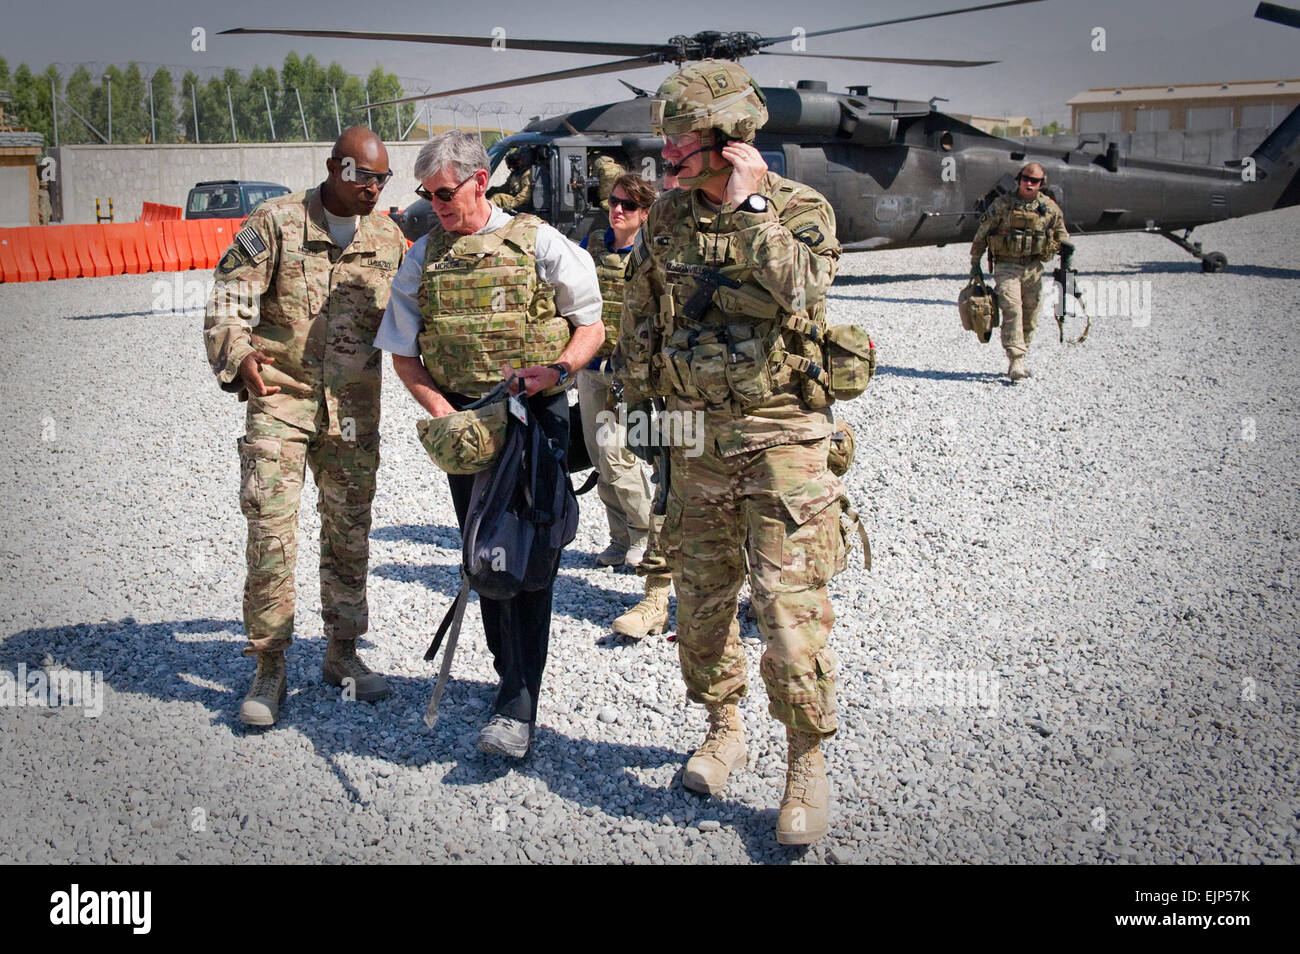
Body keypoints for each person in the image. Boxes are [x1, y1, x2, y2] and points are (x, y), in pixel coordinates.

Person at [618, 60, 854, 845]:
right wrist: (642, 413)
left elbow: (804, 290)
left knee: (788, 613)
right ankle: (724, 728)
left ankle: (805, 764)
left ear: (728, 138)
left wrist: (752, 205)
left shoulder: (797, 208)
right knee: (704, 601)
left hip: (783, 435)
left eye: (678, 139)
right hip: (693, 436)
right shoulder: (666, 217)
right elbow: (641, 316)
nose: (665, 153)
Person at [375, 130, 604, 758]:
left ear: (480, 179)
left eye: (444, 192)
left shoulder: (540, 243)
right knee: (486, 552)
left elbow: (590, 324)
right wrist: (445, 414)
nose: (436, 204)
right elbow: (403, 354)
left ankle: (518, 699)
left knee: (531, 550)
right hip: (469, 431)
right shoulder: (424, 256)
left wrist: (558, 373)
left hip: (535, 421)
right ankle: (508, 671)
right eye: (427, 194)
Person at [203, 126, 407, 727]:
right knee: (271, 534)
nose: (372, 187)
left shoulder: (388, 237)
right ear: (333, 167)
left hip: (353, 410)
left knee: (349, 535)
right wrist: (236, 355)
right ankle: (270, 664)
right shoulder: (275, 222)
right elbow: (227, 299)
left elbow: (415, 311)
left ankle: (342, 653)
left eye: (381, 179)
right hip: (280, 400)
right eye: (362, 175)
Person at [579, 173, 657, 570]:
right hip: (590, 368)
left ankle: (645, 534)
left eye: (627, 205)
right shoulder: (592, 246)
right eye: (613, 202)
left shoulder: (652, 255)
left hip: (627, 373)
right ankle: (619, 536)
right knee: (599, 456)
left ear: (644, 213)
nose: (617, 210)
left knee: (616, 453)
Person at [969, 162, 1068, 381]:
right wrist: (975, 263)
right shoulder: (1002, 204)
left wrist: (1066, 262)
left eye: (1035, 181)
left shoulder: (1049, 208)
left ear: (1042, 184)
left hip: (1033, 268)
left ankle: (1022, 351)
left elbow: (1062, 236)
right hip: (1007, 266)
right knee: (1012, 308)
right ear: (1019, 179)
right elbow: (982, 233)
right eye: (1026, 179)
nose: (1029, 184)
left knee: (1031, 314)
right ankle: (1016, 360)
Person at [486, 146, 535, 211]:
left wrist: (511, 205)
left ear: (519, 163)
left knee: (497, 198)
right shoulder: (515, 173)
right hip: (514, 198)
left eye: (512, 167)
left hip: (521, 203)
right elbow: (507, 186)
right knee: (492, 191)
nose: (512, 169)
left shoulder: (526, 174)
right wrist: (496, 189)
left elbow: (525, 195)